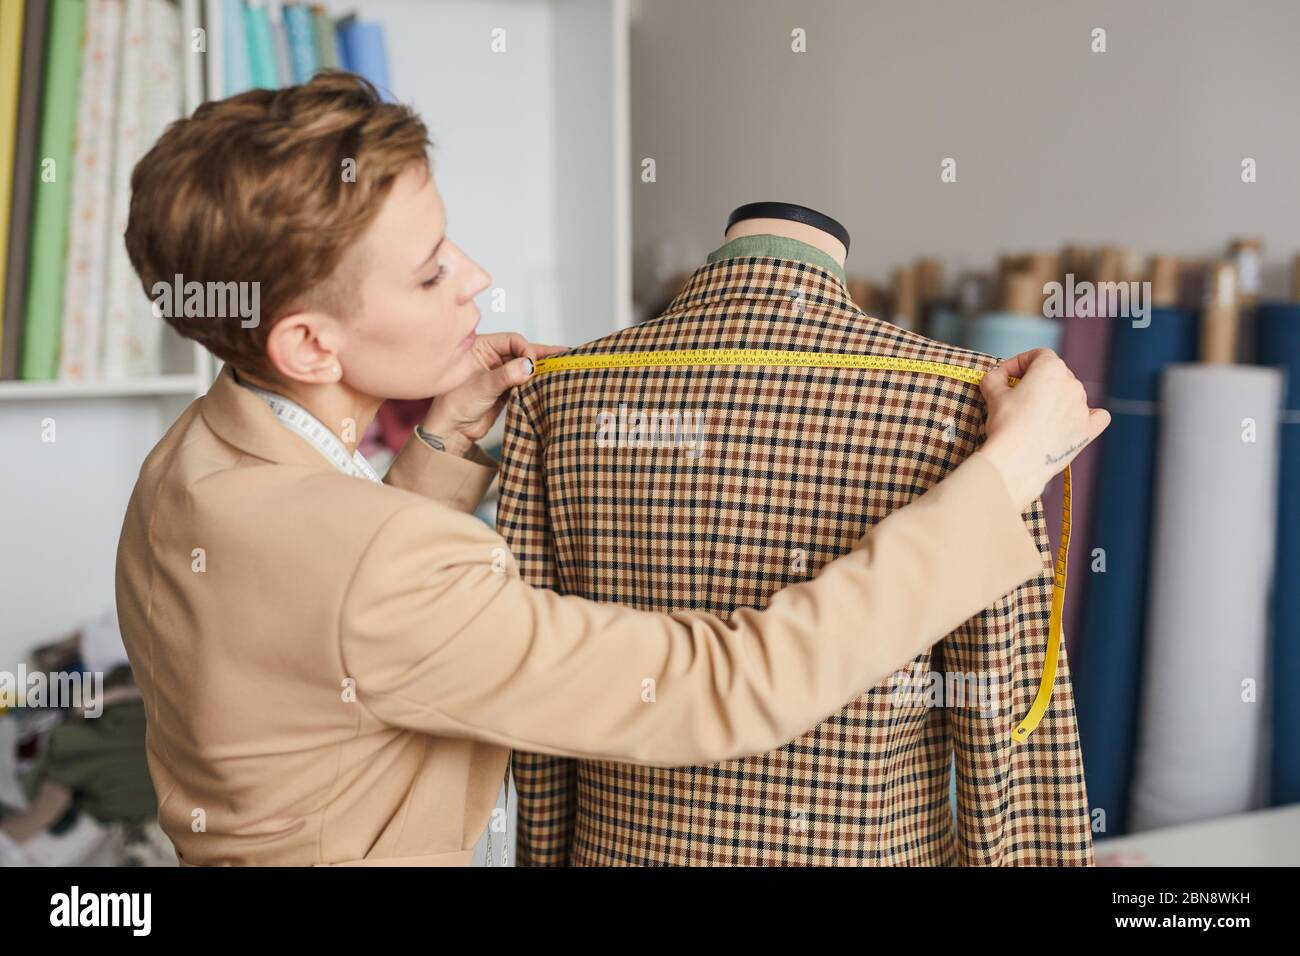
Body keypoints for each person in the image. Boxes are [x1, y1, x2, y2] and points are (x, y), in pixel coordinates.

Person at [114, 72, 1109, 866]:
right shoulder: (377, 574)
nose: (474, 277)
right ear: (308, 345)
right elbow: (724, 685)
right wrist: (1008, 470)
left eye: (447, 241)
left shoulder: (190, 461)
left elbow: (321, 611)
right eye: (427, 272)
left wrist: (446, 443)